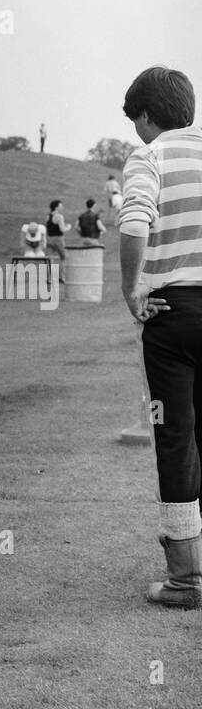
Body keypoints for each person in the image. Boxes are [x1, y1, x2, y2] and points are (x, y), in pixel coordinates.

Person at [116, 65, 202, 606]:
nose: (138, 135)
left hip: (174, 312)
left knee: (174, 436)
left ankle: (186, 579)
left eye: (136, 123)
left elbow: (133, 222)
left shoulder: (151, 156)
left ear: (148, 115)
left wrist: (131, 290)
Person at [44, 198, 68, 284]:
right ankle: (62, 277)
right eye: (60, 205)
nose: (62, 207)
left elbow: (47, 227)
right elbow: (62, 229)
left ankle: (49, 278)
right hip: (58, 239)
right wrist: (68, 227)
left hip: (49, 239)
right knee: (64, 257)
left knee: (50, 259)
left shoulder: (48, 216)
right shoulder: (59, 217)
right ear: (56, 207)